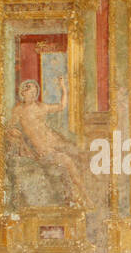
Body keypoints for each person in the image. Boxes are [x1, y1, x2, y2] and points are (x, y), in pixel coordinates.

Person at [8, 77, 85, 205]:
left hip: (52, 140)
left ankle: (78, 194)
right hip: (40, 148)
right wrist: (13, 132)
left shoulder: (41, 107)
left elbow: (61, 106)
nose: (33, 95)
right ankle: (83, 195)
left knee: (76, 155)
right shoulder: (19, 110)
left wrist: (63, 88)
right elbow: (9, 127)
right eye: (30, 92)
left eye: (35, 93)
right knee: (68, 161)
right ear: (23, 93)